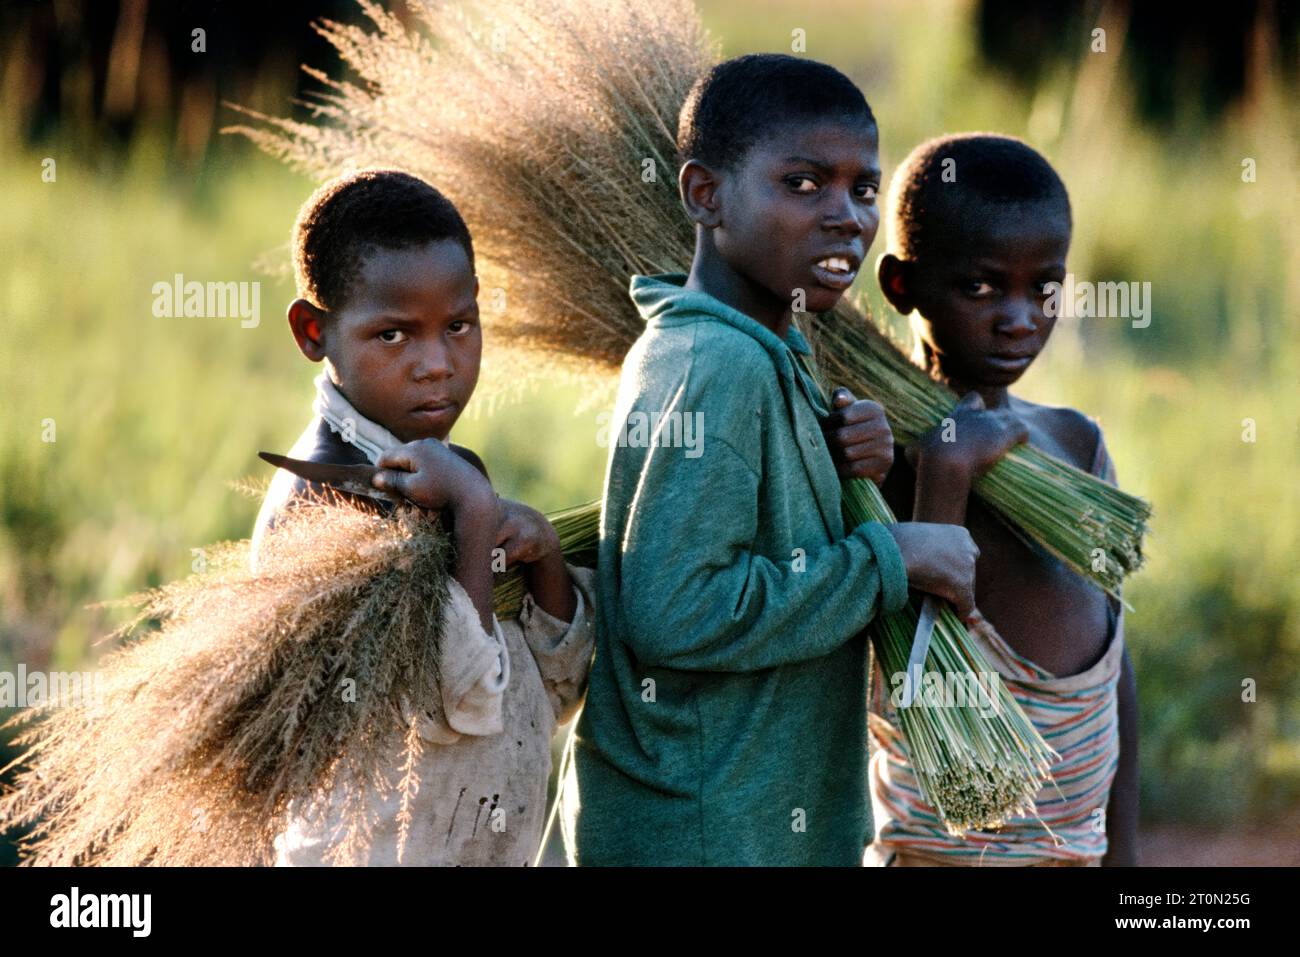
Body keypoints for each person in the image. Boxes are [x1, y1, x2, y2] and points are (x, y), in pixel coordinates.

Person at [571, 54, 980, 866]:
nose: (847, 217)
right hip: (703, 835)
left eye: (863, 189)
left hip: (751, 827)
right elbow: (677, 609)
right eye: (803, 184)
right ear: (703, 193)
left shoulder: (770, 349)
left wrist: (838, 463)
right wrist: (889, 556)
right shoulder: (712, 367)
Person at [253, 169, 596, 865]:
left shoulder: (447, 466)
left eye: (459, 326)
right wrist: (475, 509)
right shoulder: (323, 505)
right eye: (393, 335)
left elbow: (550, 691)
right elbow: (462, 704)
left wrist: (547, 557)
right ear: (313, 331)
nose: (436, 364)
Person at [866, 133, 1139, 866]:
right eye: (982, 286)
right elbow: (923, 678)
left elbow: (1118, 662)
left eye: (1043, 287)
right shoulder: (877, 462)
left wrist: (1126, 849)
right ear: (901, 286)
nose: (1019, 316)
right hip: (937, 856)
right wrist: (946, 473)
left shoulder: (1075, 444)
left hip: (1077, 852)